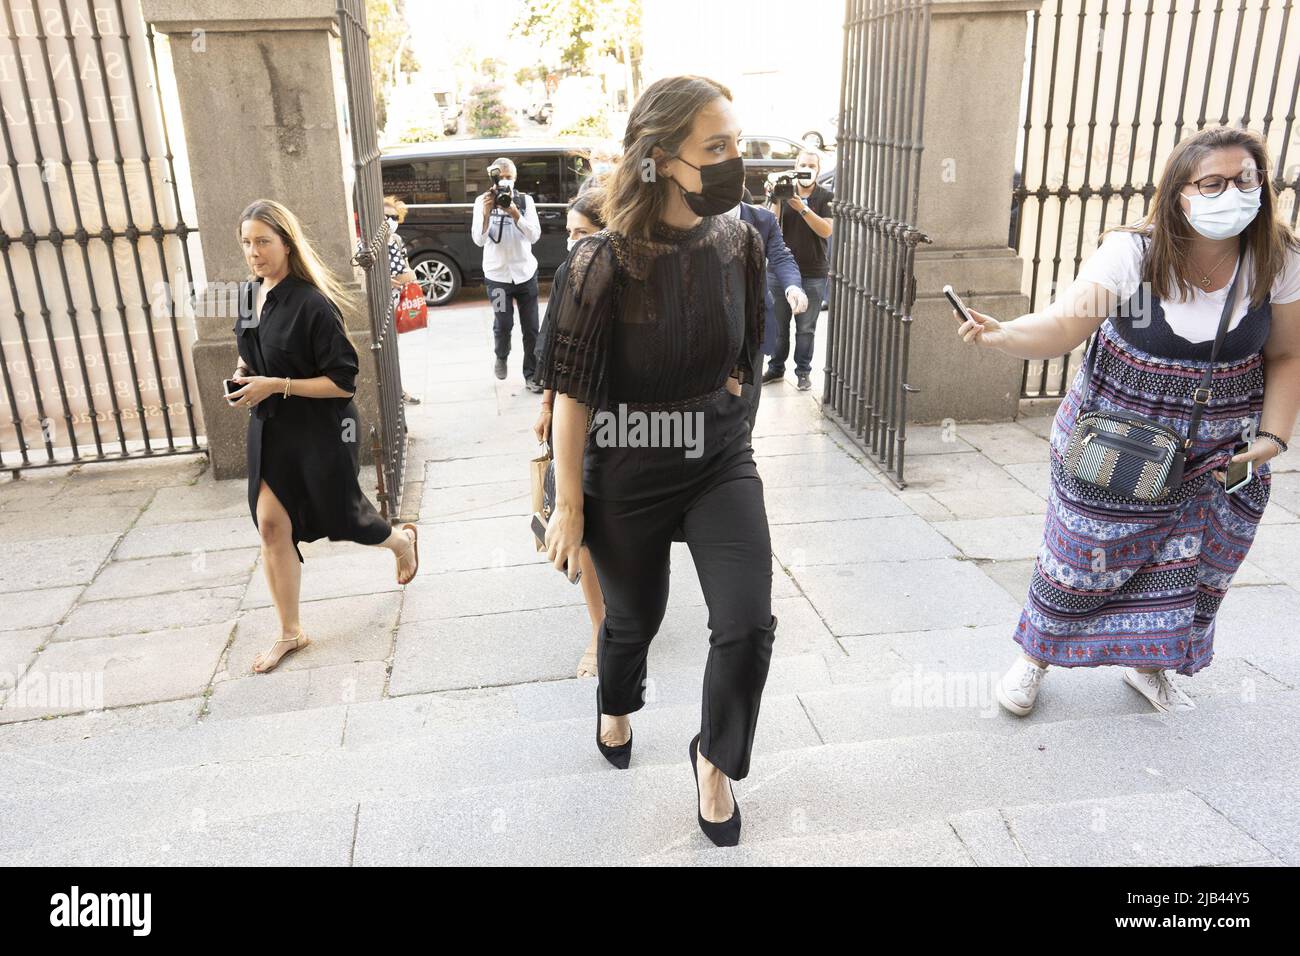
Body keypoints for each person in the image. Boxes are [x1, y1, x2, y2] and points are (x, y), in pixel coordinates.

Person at [953, 126, 1300, 716]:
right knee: (1083, 553)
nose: (1233, 193)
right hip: (1119, 434)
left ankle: (1151, 663)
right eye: (1212, 182)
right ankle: (1035, 656)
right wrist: (1003, 334)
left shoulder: (1278, 257)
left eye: (1246, 180)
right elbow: (1066, 324)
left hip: (1221, 446)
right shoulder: (1134, 252)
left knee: (1193, 562)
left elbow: (1287, 354)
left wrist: (1271, 439)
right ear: (1178, 191)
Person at [534, 75, 778, 848]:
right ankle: (616, 704)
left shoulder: (739, 241)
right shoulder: (601, 263)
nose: (736, 160)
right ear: (661, 158)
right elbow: (571, 394)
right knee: (633, 623)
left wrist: (730, 411)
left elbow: (749, 346)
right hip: (627, 469)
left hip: (717, 459)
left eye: (736, 142)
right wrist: (568, 504)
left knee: (745, 622)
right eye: (717, 148)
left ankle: (715, 759)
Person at [231, 199, 420, 674]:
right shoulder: (246, 296)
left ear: (287, 244)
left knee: (345, 519)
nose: (253, 252)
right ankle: (290, 632)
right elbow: (249, 354)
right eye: (247, 243)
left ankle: (398, 541)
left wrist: (275, 385)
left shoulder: (314, 304)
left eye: (263, 242)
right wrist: (242, 377)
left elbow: (342, 381)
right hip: (269, 430)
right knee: (272, 526)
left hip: (320, 431)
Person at [532, 185, 610, 678]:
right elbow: (555, 355)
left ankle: (632, 611)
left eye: (585, 234)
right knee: (582, 525)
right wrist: (545, 404)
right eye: (570, 235)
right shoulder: (567, 276)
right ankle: (601, 628)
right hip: (578, 416)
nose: (575, 245)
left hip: (632, 420)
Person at [728, 188, 804, 432]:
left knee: (747, 403)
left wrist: (793, 287)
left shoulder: (763, 219)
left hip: (753, 325)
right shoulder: (697, 215)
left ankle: (743, 453)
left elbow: (781, 257)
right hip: (713, 324)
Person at [762, 149, 834, 390]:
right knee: (780, 327)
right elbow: (770, 226)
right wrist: (777, 198)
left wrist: (801, 207)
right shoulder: (784, 192)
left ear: (818, 170)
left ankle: (803, 371)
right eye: (802, 165)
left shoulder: (825, 197)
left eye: (811, 166)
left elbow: (826, 230)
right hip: (779, 272)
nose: (806, 170)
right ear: (794, 167)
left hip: (813, 271)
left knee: (806, 329)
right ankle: (776, 368)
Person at [471, 157, 543, 391]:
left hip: (525, 275)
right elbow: (479, 240)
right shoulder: (483, 201)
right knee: (503, 323)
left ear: (515, 178)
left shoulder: (525, 201)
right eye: (500, 177)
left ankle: (531, 375)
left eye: (508, 177)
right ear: (492, 178)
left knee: (531, 327)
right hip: (498, 277)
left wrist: (514, 212)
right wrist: (485, 213)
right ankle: (501, 355)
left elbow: (534, 235)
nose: (504, 181)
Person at [382, 195, 421, 406]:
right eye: (385, 216)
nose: (390, 221)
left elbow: (408, 272)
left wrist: (399, 278)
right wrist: (385, 279)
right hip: (380, 304)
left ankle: (398, 390)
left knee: (394, 350)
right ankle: (393, 392)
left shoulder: (396, 240)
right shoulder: (368, 243)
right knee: (385, 351)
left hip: (397, 301)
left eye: (394, 217)